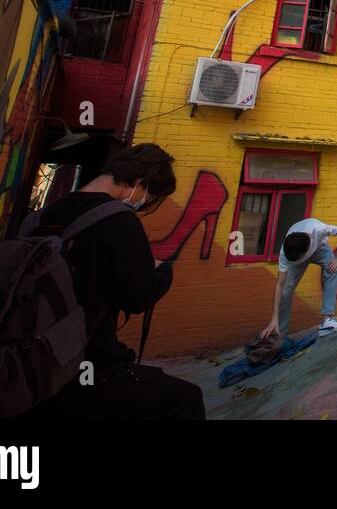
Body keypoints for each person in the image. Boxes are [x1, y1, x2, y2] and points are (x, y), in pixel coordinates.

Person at [22, 144, 206, 419]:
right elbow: (138, 296)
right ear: (139, 183)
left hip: (31, 360)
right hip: (83, 362)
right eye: (148, 195)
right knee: (186, 401)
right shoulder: (118, 220)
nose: (143, 202)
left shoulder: (43, 215)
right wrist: (163, 272)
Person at [260, 218, 337, 342]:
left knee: (333, 269)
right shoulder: (286, 253)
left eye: (299, 259)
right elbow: (279, 285)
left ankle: (327, 320)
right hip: (298, 250)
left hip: (319, 248)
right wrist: (273, 318)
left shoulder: (320, 229)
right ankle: (279, 331)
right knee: (286, 290)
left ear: (305, 253)